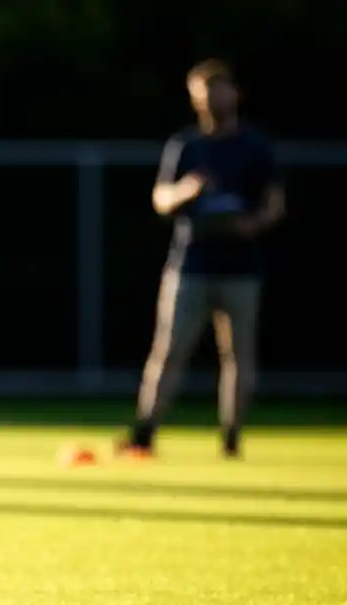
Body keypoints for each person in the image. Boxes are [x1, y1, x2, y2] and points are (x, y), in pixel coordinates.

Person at [119, 58, 285, 459]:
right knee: (170, 349)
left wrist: (253, 224)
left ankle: (231, 437)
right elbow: (160, 198)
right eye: (202, 92)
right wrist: (187, 190)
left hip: (241, 268)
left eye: (218, 89)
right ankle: (144, 433)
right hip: (190, 265)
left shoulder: (255, 147)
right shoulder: (187, 146)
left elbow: (275, 203)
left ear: (234, 92)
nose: (211, 98)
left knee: (239, 356)